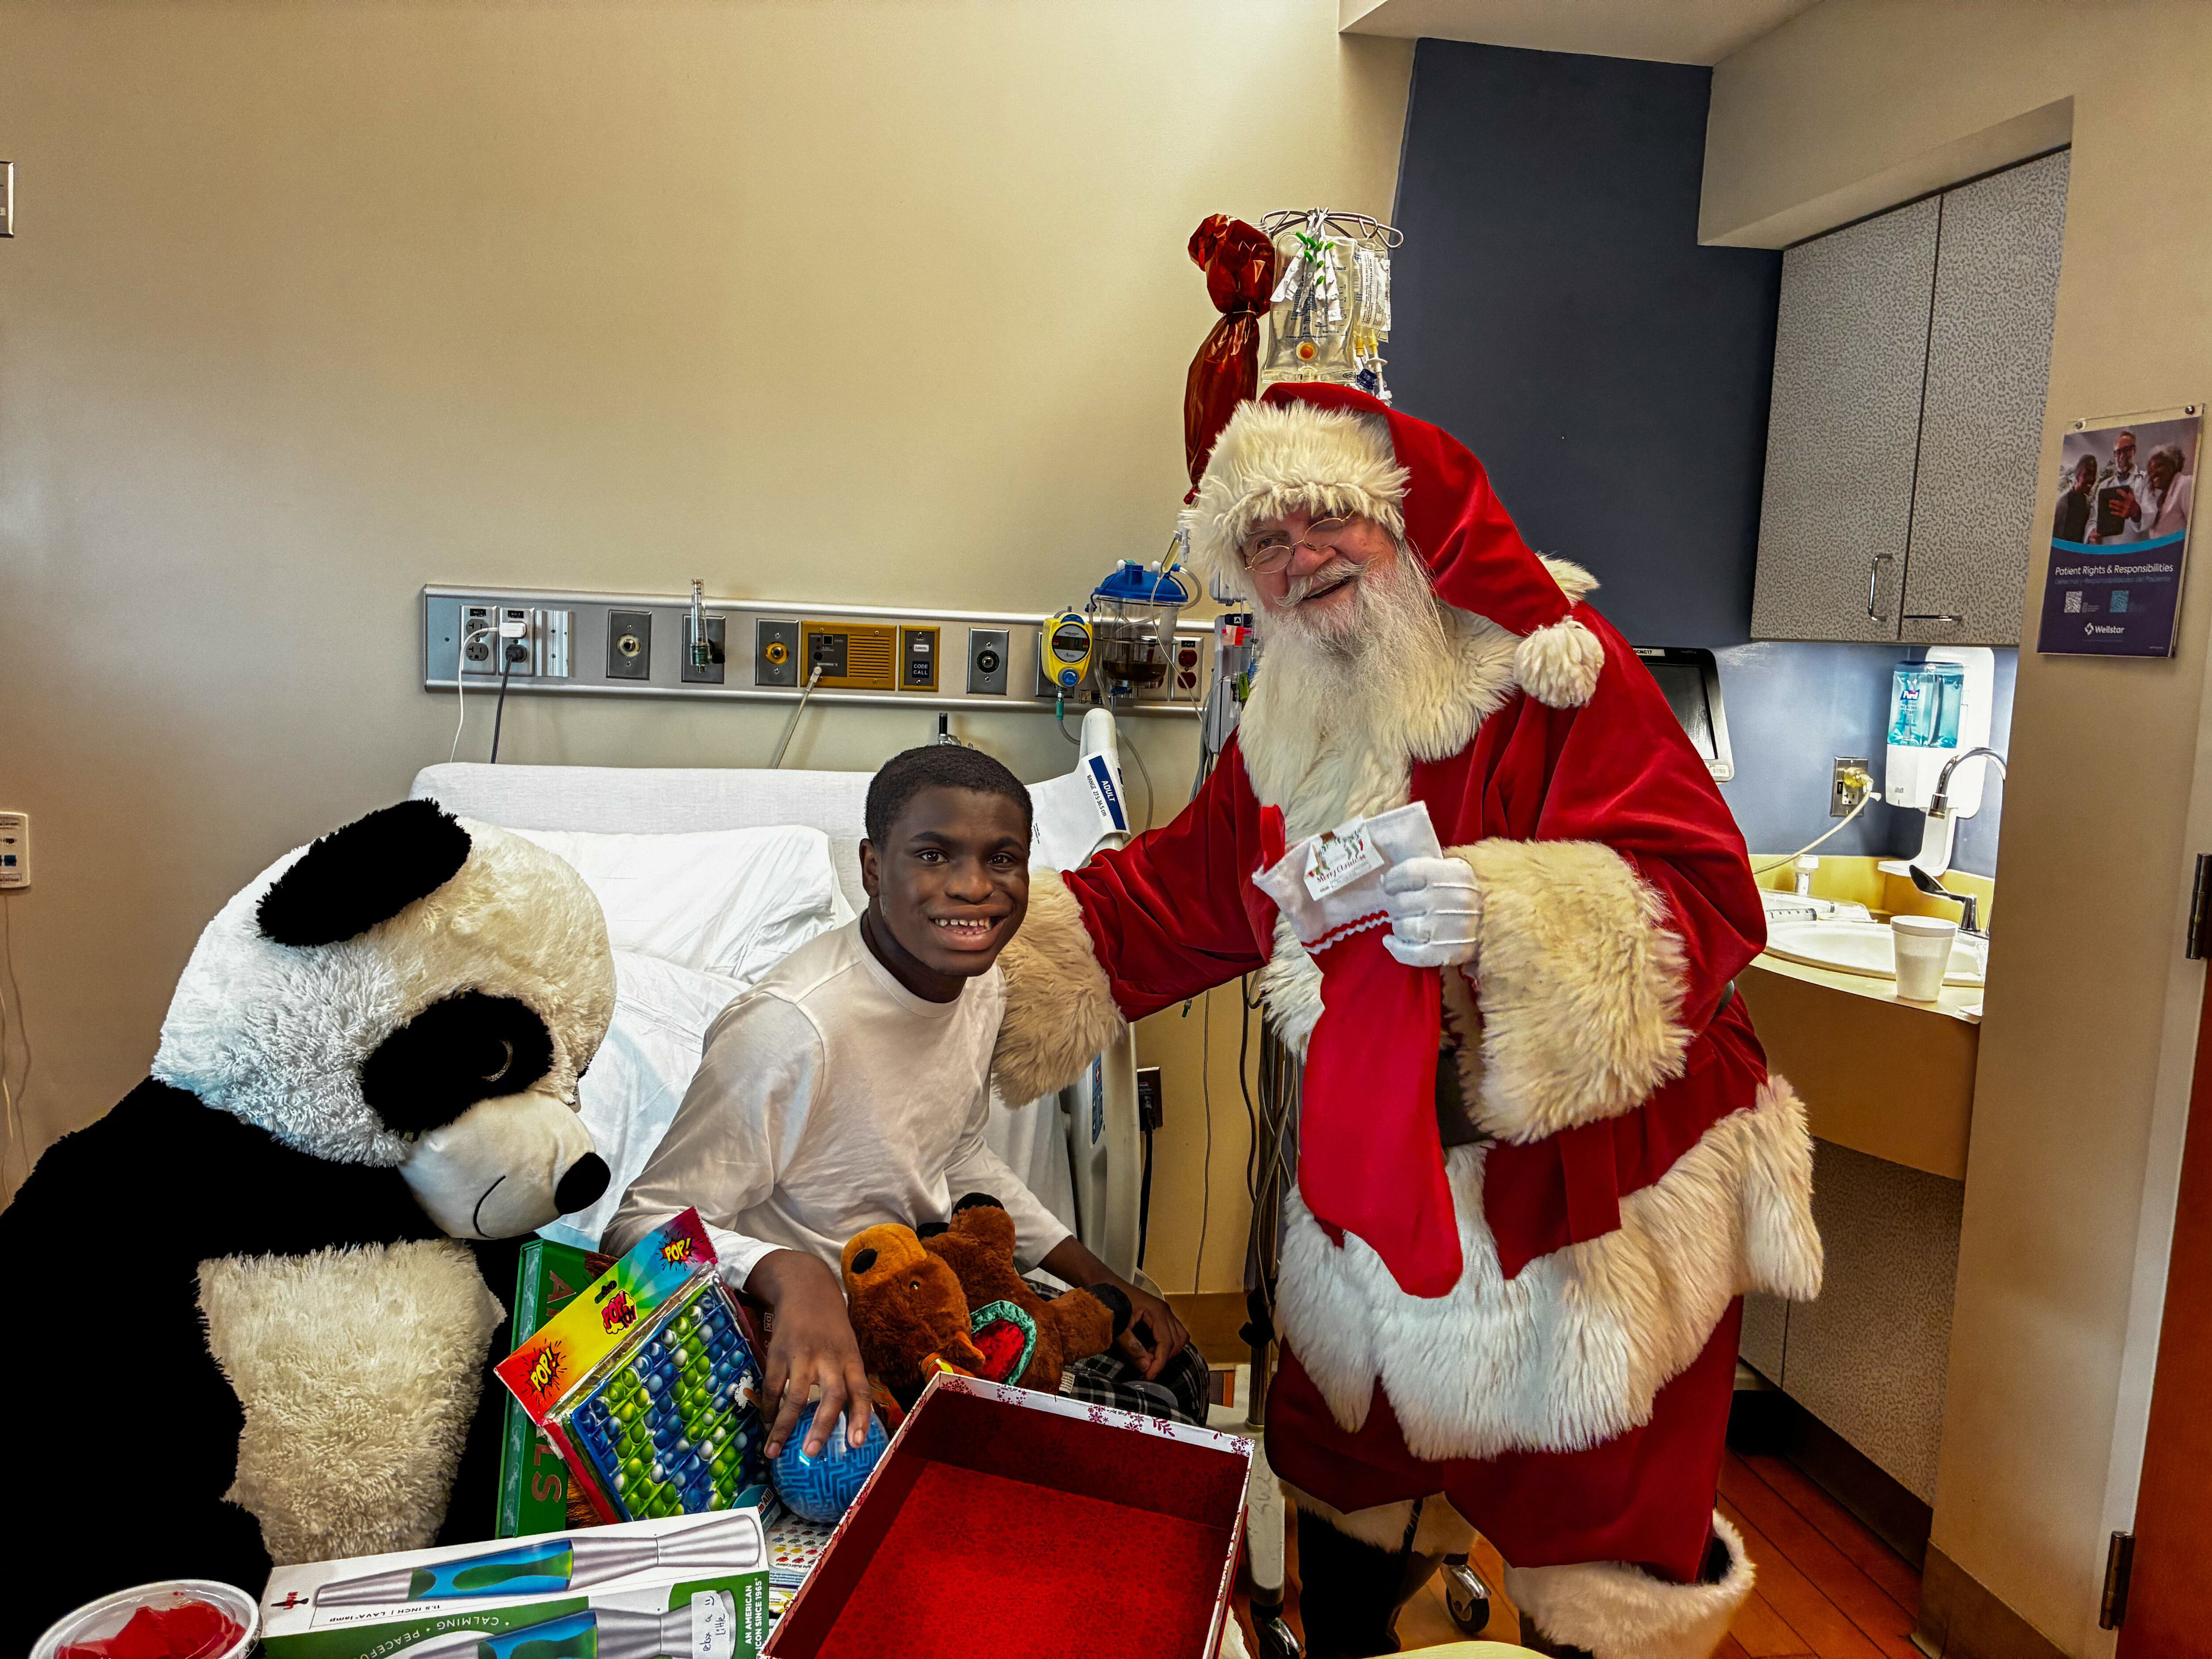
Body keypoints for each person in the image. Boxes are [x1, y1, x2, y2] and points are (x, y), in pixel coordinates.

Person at [987, 385, 1820, 1659]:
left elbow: (1700, 899)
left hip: (1595, 1183)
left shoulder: (1552, 668)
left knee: (1594, 1521)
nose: (1297, 554)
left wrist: (1505, 910)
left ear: (1407, 521)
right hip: (1380, 1169)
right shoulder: (1283, 725)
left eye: (1326, 517)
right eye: (1262, 543)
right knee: (1346, 1470)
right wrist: (974, 972)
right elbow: (1177, 894)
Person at [606, 744, 1197, 1460]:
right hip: (810, 1345)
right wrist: (794, 1278)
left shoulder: (982, 984)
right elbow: (639, 1225)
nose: (973, 886)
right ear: (872, 868)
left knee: (1178, 1375)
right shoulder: (793, 1029)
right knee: (1139, 1433)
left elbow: (956, 1150)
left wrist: (1104, 1278)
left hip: (921, 1304)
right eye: (933, 855)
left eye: (1001, 858)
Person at [2090, 428, 2150, 543]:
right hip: (2110, 550)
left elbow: (2152, 515)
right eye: (2118, 452)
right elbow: (2093, 519)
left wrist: (2136, 512)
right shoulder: (2104, 486)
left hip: (2138, 550)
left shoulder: (2146, 480)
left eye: (2126, 450)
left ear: (2134, 451)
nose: (2122, 457)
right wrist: (2092, 534)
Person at [2142, 442, 2192, 537]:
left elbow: (2197, 526)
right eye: (2151, 470)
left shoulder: (2185, 484)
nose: (2153, 474)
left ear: (2173, 465)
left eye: (2158, 466)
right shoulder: (2159, 497)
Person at [2054, 453, 2098, 541]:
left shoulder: (2088, 504)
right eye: (2087, 474)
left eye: (2094, 474)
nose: (2091, 478)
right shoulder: (2063, 502)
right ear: (2078, 475)